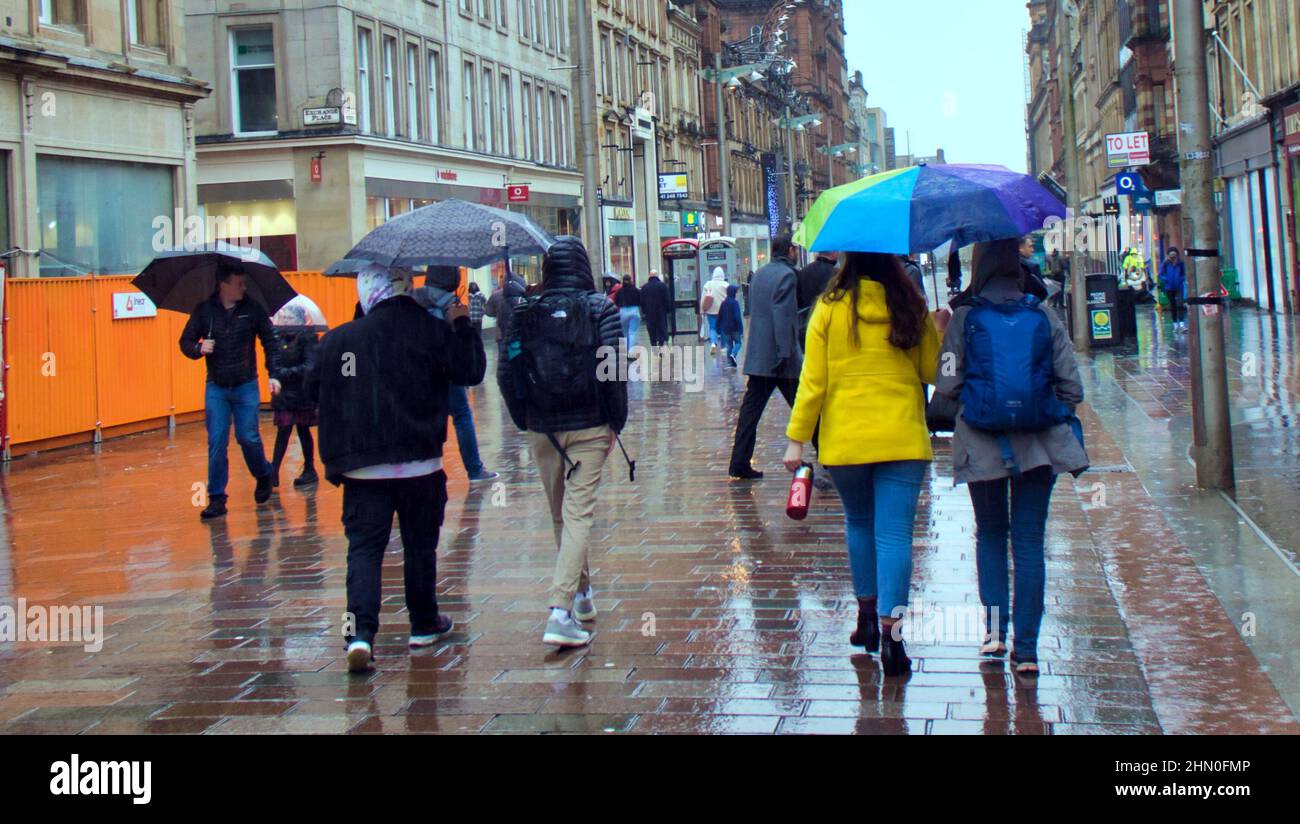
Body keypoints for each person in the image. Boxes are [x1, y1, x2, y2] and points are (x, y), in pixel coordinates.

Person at [305, 263, 486, 672]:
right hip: (420, 464)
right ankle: (423, 624)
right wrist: (464, 326)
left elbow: (310, 389)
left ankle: (359, 635)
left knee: (364, 551)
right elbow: (471, 372)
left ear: (365, 293)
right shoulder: (433, 329)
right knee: (419, 547)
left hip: (363, 469)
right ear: (408, 288)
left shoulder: (341, 340)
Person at [933, 238, 1089, 676]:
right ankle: (1028, 650)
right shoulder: (1043, 314)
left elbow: (944, 383)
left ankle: (995, 633)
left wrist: (945, 334)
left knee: (989, 534)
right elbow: (1073, 389)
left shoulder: (964, 317)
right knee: (1029, 542)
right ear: (1019, 266)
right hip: (1039, 446)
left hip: (981, 444)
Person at [782, 253, 942, 676]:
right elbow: (935, 372)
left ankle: (866, 620)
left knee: (859, 524)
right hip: (902, 437)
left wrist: (797, 439)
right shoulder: (911, 306)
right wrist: (939, 334)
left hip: (847, 441)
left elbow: (813, 382)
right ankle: (893, 640)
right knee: (895, 537)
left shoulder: (829, 309)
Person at [497, 236, 628, 648]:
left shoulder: (525, 312)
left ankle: (584, 596)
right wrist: (615, 423)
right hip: (589, 424)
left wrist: (525, 419)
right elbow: (613, 368)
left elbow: (506, 371)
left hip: (543, 429)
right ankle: (559, 611)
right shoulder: (599, 307)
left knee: (562, 516)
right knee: (579, 515)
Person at [179, 265, 283, 521]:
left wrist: (274, 373)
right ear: (223, 285)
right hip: (216, 386)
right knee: (216, 441)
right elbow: (186, 341)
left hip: (246, 384)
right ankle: (216, 498)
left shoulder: (253, 309)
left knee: (248, 437)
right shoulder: (205, 311)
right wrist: (199, 348)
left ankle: (263, 474)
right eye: (239, 284)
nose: (243, 288)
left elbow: (270, 340)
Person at [413, 266, 499, 483]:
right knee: (462, 415)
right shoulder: (450, 306)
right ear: (453, 280)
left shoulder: (413, 301)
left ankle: (422, 469)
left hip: (420, 374)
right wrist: (462, 323)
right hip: (449, 373)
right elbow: (467, 354)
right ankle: (474, 469)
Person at [728, 235, 801, 480]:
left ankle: (739, 461)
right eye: (795, 249)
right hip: (781, 358)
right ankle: (829, 455)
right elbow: (783, 315)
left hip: (759, 356)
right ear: (790, 250)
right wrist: (784, 351)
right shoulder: (788, 276)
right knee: (804, 406)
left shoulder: (759, 274)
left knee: (750, 413)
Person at [268, 302, 320, 489]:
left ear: (299, 320)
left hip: (302, 393)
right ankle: (273, 474)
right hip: (283, 395)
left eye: (290, 318)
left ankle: (310, 469)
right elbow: (272, 362)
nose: (286, 321)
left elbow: (310, 366)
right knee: (283, 430)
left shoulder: (308, 337)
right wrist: (274, 375)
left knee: (303, 429)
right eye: (285, 318)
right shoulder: (276, 338)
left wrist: (283, 373)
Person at [484, 267, 527, 354]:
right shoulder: (522, 294)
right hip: (518, 333)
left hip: (501, 333)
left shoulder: (496, 295)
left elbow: (488, 312)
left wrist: (497, 312)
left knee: (503, 358)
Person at [797, 251, 838, 338]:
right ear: (833, 252)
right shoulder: (836, 274)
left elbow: (799, 300)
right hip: (828, 326)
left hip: (806, 326)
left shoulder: (803, 272)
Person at [640, 268, 672, 348]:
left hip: (649, 312)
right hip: (661, 311)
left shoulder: (645, 287)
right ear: (657, 276)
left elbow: (642, 301)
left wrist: (644, 311)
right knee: (661, 327)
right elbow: (667, 299)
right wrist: (668, 309)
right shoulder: (663, 286)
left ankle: (653, 345)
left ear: (649, 276)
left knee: (652, 329)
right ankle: (661, 344)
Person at [701, 266, 729, 352]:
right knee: (724, 328)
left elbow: (703, 298)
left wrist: (702, 310)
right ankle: (724, 347)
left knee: (712, 328)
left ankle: (713, 344)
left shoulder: (708, 284)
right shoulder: (726, 285)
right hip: (723, 312)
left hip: (711, 311)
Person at [716, 283, 744, 368]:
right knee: (738, 343)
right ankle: (733, 354)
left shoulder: (723, 303)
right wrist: (741, 328)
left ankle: (730, 362)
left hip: (725, 328)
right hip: (734, 327)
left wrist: (718, 327)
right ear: (734, 293)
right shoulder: (735, 303)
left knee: (729, 345)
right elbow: (737, 316)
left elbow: (719, 316)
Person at [1158, 247, 1187, 332]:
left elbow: (1184, 273)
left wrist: (1181, 279)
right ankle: (1175, 325)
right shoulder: (1165, 263)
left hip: (1179, 287)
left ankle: (1182, 324)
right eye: (1171, 254)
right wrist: (1166, 280)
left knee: (1180, 305)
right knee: (1173, 306)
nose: (1173, 256)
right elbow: (1160, 274)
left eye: (1174, 254)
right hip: (1169, 287)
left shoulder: (1180, 263)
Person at [615, 273, 642, 358]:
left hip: (623, 311)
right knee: (633, 332)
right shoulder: (636, 290)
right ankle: (631, 352)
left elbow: (616, 301)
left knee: (624, 333)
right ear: (631, 280)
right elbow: (640, 300)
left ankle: (625, 351)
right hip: (634, 310)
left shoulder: (619, 291)